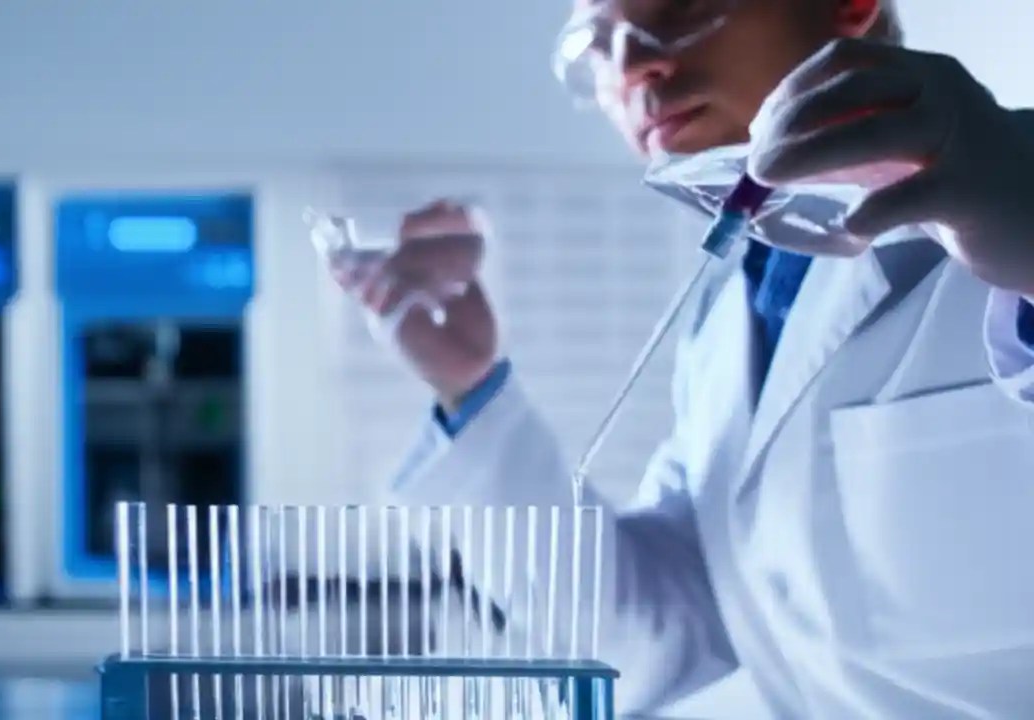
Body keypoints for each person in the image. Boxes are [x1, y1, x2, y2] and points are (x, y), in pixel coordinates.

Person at [327, 0, 1034, 716]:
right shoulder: (724, 322)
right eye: (598, 48)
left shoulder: (1012, 196)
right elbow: (656, 640)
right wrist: (466, 385)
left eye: (680, 8)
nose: (633, 66)